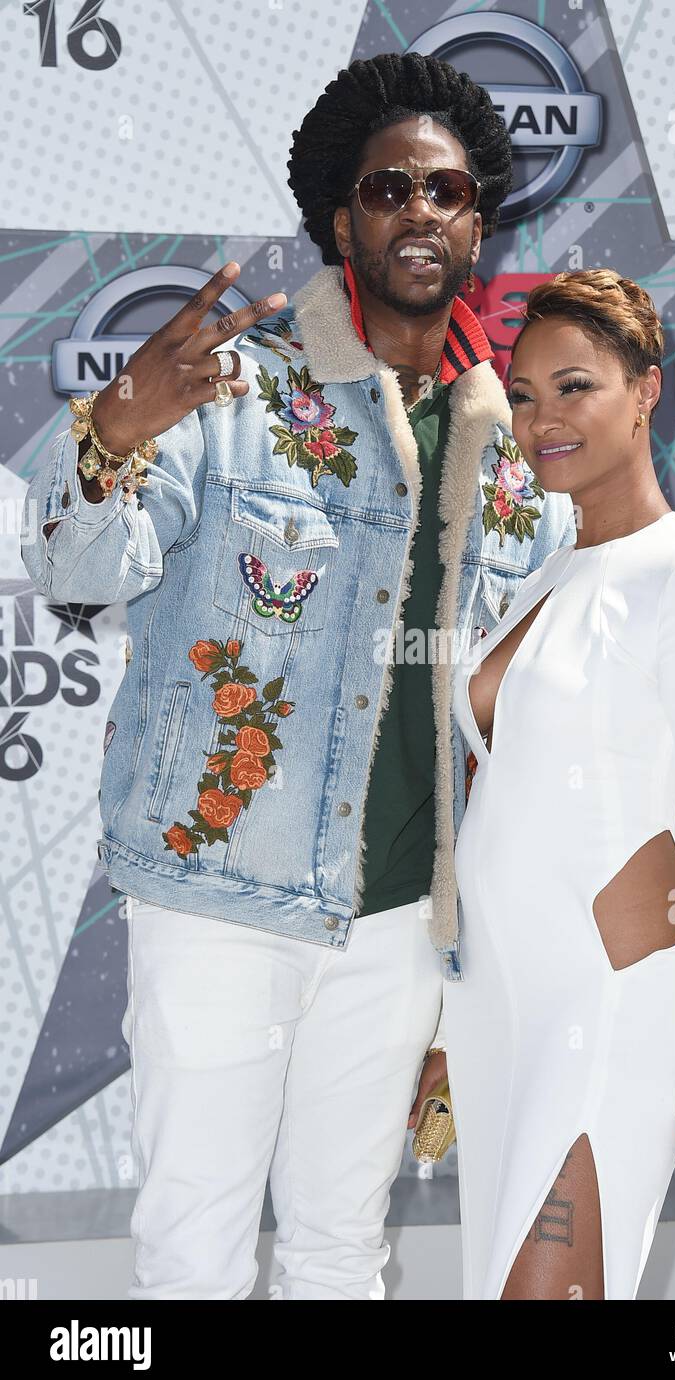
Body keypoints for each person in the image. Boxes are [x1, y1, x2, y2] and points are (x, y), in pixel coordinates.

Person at [19, 53, 575, 1299]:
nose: (418, 211)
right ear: (342, 218)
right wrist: (110, 435)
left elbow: (508, 720)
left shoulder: (508, 465)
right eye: (388, 188)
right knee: (194, 1254)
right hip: (219, 899)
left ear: (477, 221)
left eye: (446, 189)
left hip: (393, 924)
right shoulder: (236, 397)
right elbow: (78, 577)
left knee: (340, 1252)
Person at [444, 268, 675, 1300]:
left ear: (645, 390)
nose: (543, 418)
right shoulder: (546, 574)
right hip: (496, 1010)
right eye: (527, 390)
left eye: (575, 386)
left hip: (607, 1002)